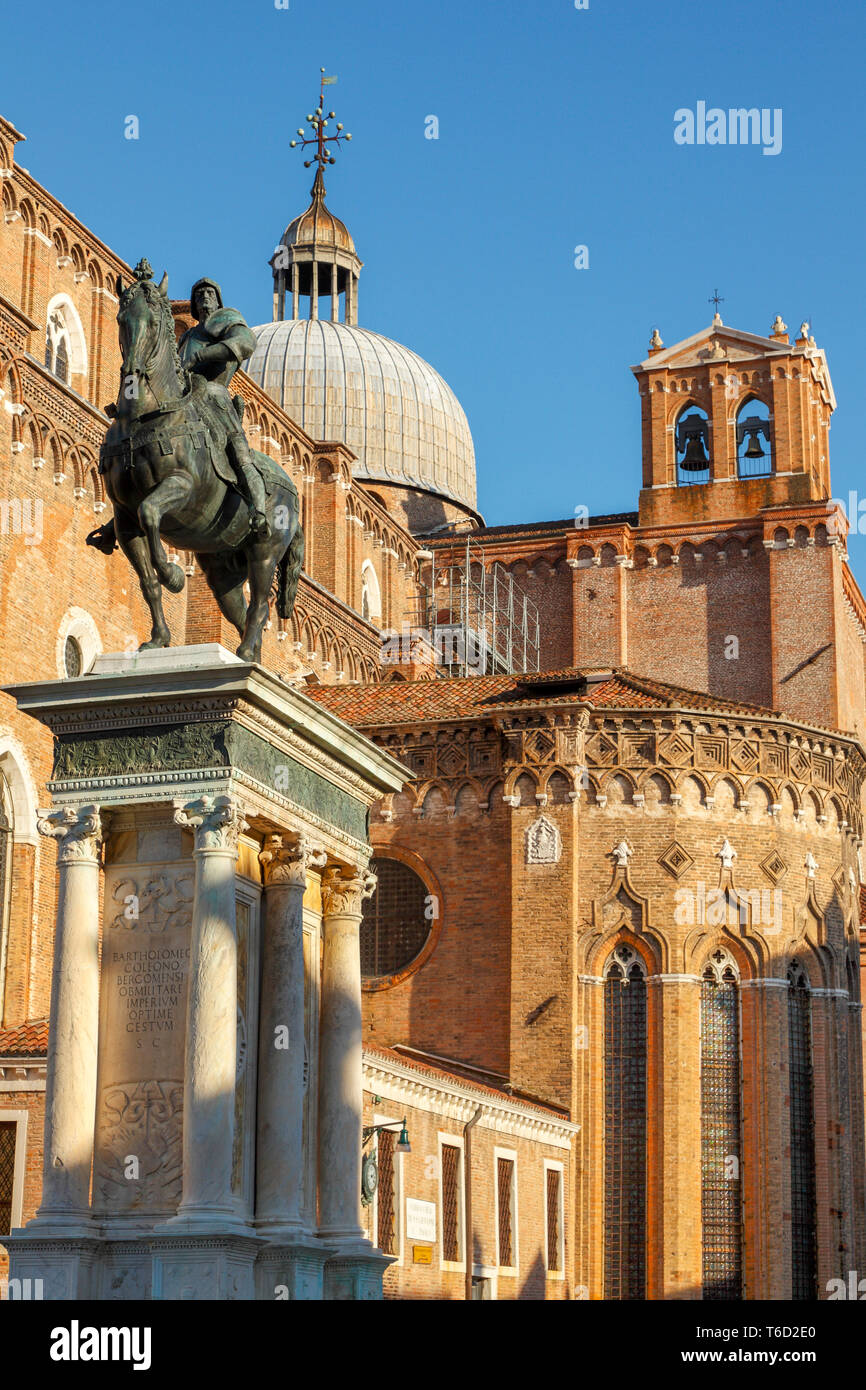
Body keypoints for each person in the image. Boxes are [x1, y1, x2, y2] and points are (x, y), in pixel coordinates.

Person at [178, 277, 269, 537]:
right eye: (199, 295)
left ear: (218, 300)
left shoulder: (228, 319)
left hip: (213, 396)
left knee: (238, 451)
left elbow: (246, 342)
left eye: (209, 293)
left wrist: (201, 356)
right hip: (185, 396)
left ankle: (259, 508)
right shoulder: (187, 336)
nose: (204, 298)